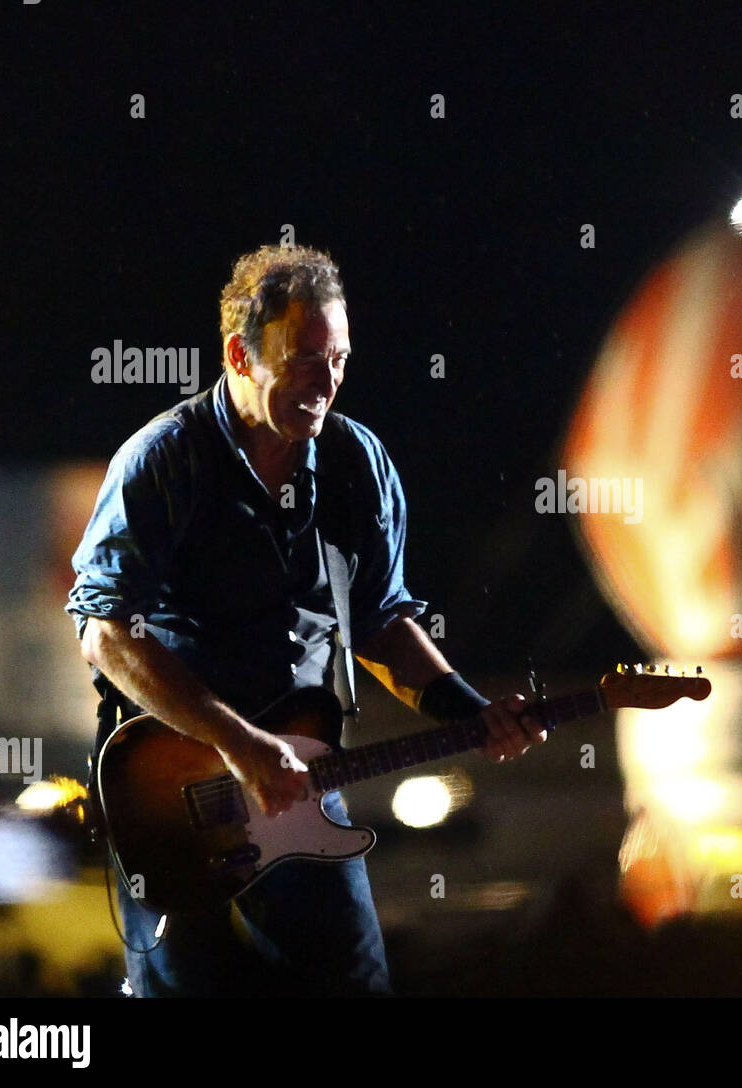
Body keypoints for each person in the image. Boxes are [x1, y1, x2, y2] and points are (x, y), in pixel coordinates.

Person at [66, 243, 547, 996]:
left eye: (340, 360)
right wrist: (238, 741)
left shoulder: (358, 464)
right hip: (171, 799)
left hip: (303, 784)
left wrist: (472, 712)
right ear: (239, 353)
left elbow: (385, 624)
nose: (325, 383)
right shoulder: (162, 460)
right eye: (304, 359)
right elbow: (104, 630)